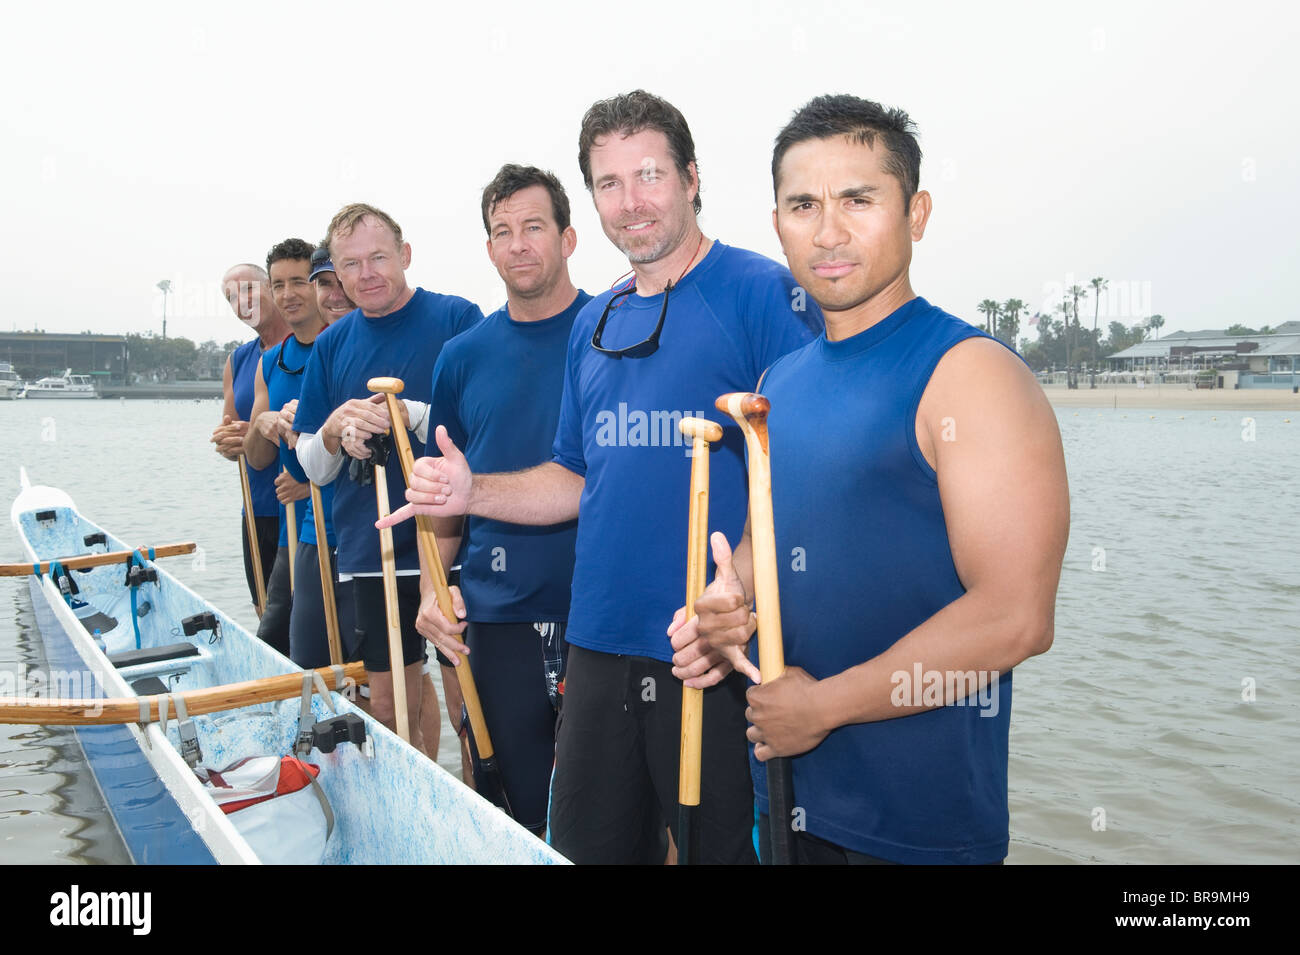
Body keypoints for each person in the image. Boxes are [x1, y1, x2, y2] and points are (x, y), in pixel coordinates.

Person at [385, 91, 822, 863]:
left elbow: (807, 467)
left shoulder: (763, 293)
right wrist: (471, 491)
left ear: (692, 178)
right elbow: (572, 477)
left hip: (711, 645)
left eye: (649, 174)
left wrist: (741, 593)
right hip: (596, 646)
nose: (632, 202)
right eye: (609, 183)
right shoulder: (595, 321)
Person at [681, 94, 1069, 864]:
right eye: (803, 205)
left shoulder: (971, 375)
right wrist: (728, 607)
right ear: (777, 223)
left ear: (916, 212)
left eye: (859, 199)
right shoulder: (777, 383)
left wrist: (822, 706)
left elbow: (1016, 617)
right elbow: (764, 549)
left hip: (917, 828)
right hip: (788, 799)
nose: (828, 231)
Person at [415, 164, 591, 834]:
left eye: (534, 227)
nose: (518, 244)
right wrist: (434, 590)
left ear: (568, 237)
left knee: (610, 817)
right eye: (502, 231)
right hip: (497, 619)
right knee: (508, 808)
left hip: (597, 617)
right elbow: (447, 497)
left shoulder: (610, 333)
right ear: (489, 248)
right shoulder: (461, 356)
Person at [293, 204, 482, 758]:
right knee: (388, 709)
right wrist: (334, 430)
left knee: (467, 706)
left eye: (378, 257)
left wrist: (412, 416)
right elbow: (311, 469)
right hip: (371, 550)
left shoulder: (457, 319)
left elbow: (486, 428)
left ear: (404, 255)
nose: (367, 273)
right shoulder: (331, 345)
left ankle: (486, 825)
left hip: (454, 550)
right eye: (351, 264)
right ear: (336, 272)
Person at [242, 238, 324, 659]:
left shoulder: (344, 345)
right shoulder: (269, 362)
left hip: (347, 530)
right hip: (296, 533)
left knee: (373, 664)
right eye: (278, 285)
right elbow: (257, 458)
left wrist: (309, 486)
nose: (288, 294)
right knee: (275, 641)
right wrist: (261, 422)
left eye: (299, 281)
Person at [210, 263, 289, 621]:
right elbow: (232, 432)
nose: (240, 303)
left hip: (300, 504)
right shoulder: (237, 360)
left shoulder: (307, 345)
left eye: (247, 290)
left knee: (310, 619)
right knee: (265, 613)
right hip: (256, 507)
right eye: (230, 298)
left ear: (271, 287)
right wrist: (228, 442)